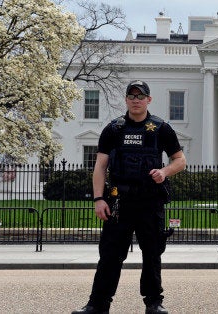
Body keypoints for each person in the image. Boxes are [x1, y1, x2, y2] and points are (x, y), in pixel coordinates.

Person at [73, 80, 186, 314]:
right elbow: (100, 167)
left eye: (141, 95)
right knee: (110, 256)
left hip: (150, 201)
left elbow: (180, 160)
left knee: (152, 255)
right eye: (132, 96)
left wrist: (164, 172)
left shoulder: (161, 128)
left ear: (149, 100)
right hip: (119, 203)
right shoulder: (114, 129)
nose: (136, 100)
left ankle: (154, 303)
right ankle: (98, 304)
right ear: (126, 100)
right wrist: (98, 199)